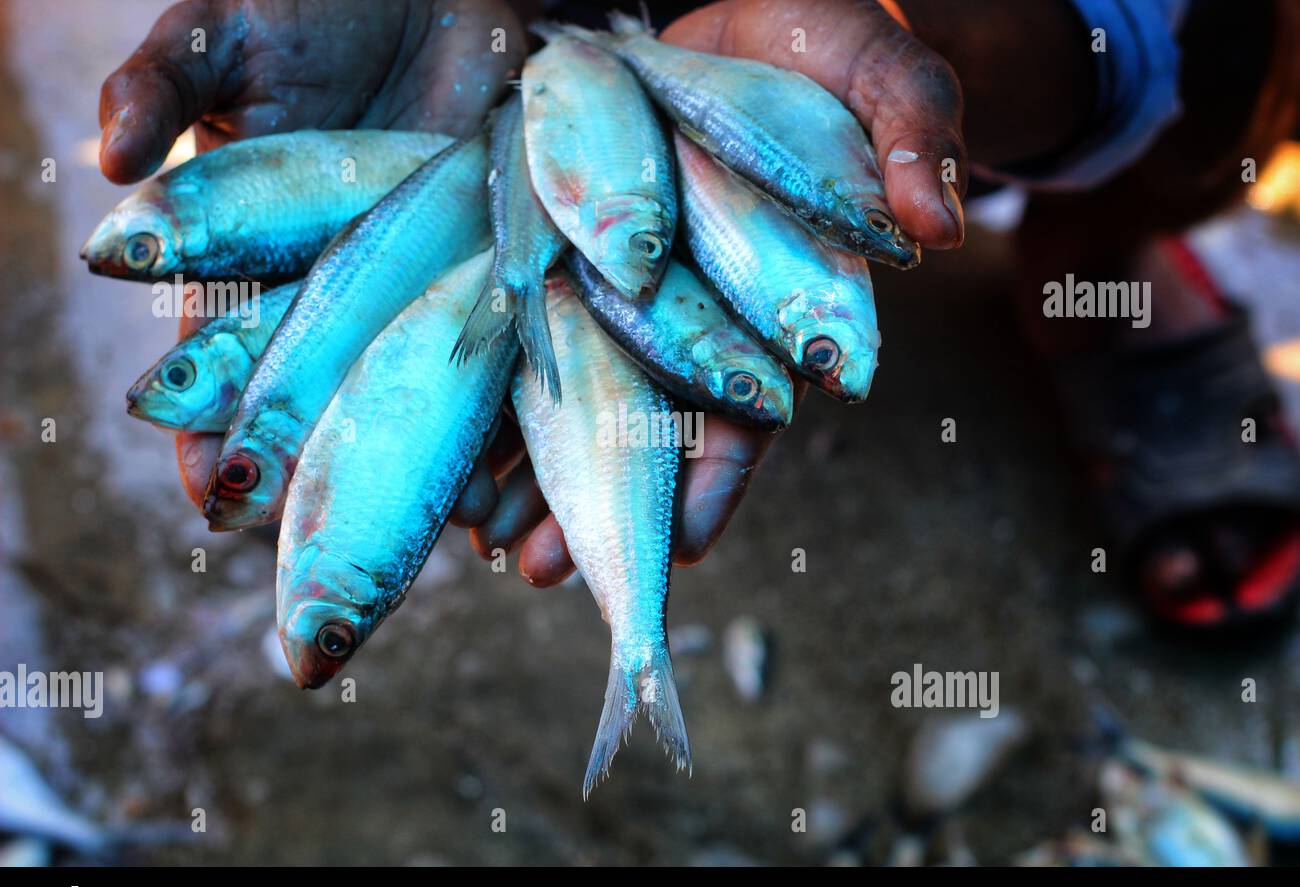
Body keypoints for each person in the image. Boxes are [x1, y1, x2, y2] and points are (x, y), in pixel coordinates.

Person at [97, 0, 1300, 633]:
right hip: (571, 101)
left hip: (788, 43)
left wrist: (936, 30)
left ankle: (1094, 249)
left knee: (1215, 61)